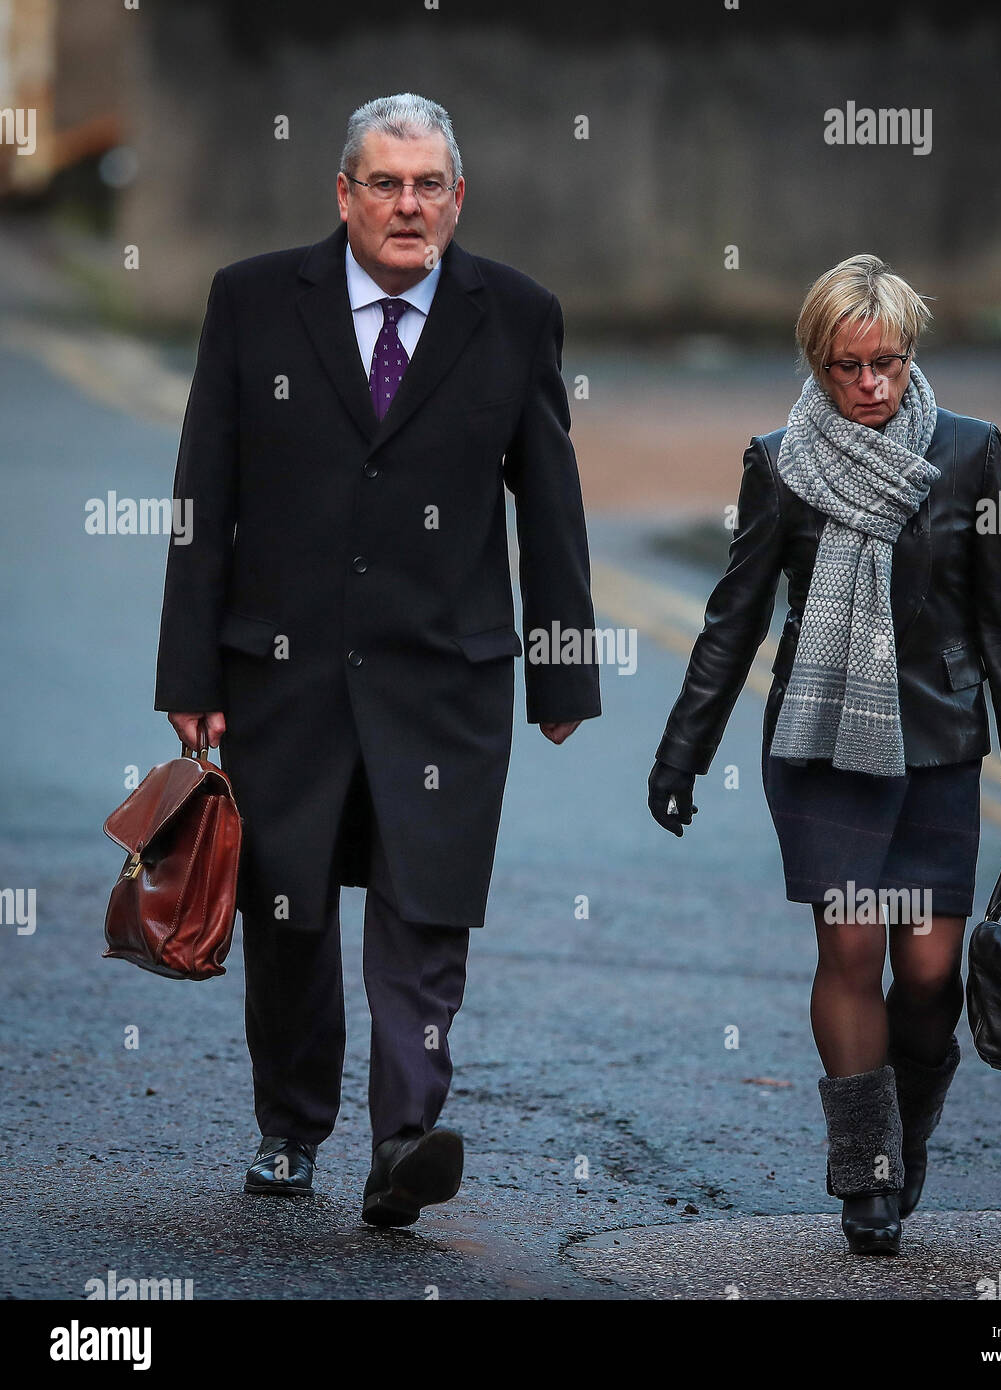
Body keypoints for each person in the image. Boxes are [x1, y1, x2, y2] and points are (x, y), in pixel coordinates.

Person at [154, 93, 601, 1226]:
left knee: (425, 907)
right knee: (289, 908)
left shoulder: (516, 313)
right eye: (387, 183)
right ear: (343, 194)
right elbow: (203, 495)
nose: (410, 204)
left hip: (445, 672)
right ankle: (291, 1128)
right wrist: (189, 673)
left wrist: (562, 669)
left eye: (430, 184)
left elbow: (550, 503)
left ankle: (404, 1139)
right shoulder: (253, 301)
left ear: (459, 197)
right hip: (283, 668)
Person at [647, 254, 1001, 1255]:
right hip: (822, 747)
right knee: (849, 948)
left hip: (932, 743)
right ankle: (864, 1171)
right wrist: (680, 752)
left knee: (925, 973)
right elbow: (731, 618)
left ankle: (905, 1130)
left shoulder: (966, 454)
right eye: (847, 367)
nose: (869, 385)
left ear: (908, 354)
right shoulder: (778, 459)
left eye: (886, 362)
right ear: (815, 361)